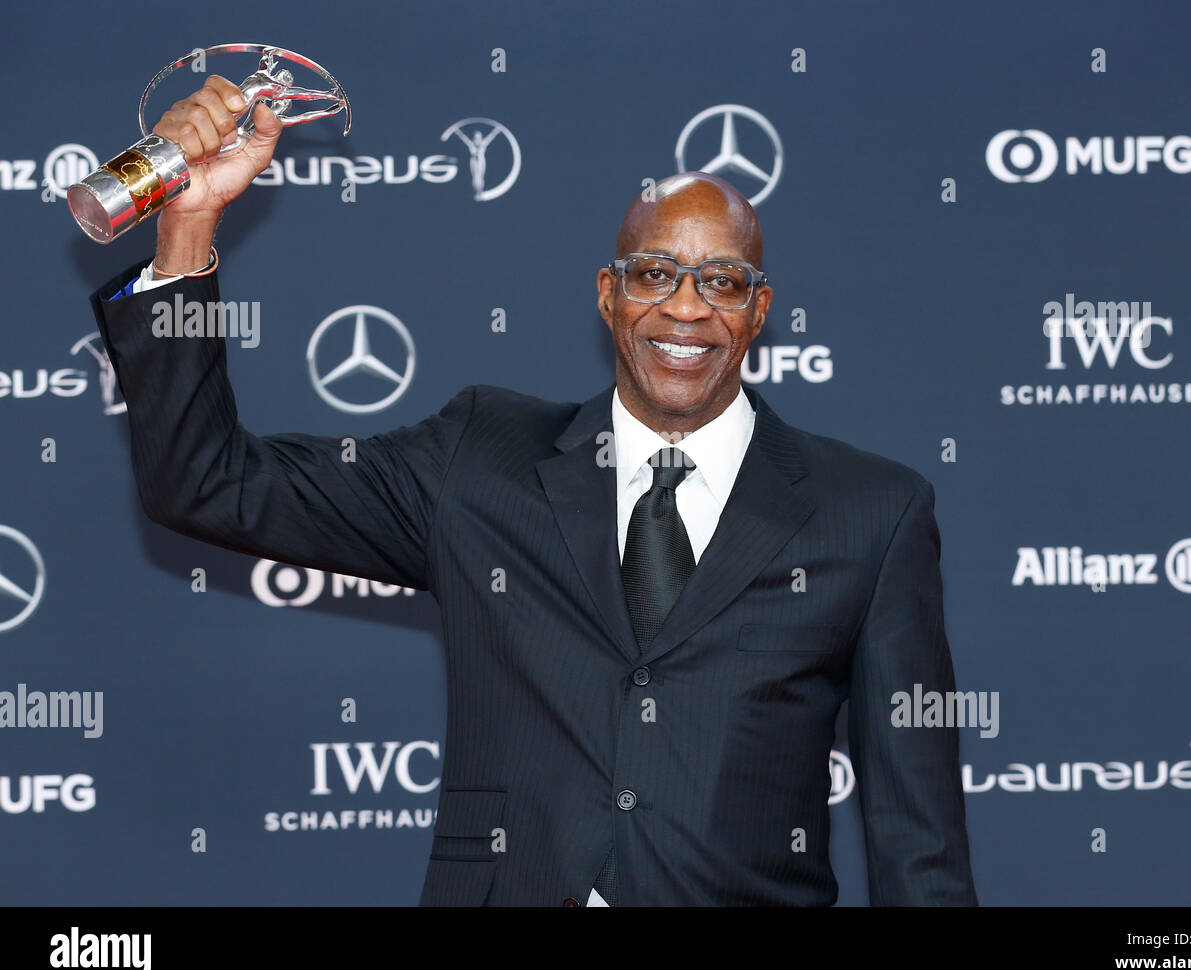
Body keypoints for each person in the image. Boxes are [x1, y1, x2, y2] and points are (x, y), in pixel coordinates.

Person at [89, 76, 978, 906]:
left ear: (759, 309)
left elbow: (918, 840)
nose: (686, 308)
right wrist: (188, 229)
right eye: (654, 273)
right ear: (608, 294)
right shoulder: (481, 459)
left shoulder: (869, 513)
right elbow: (207, 483)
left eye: (722, 281)